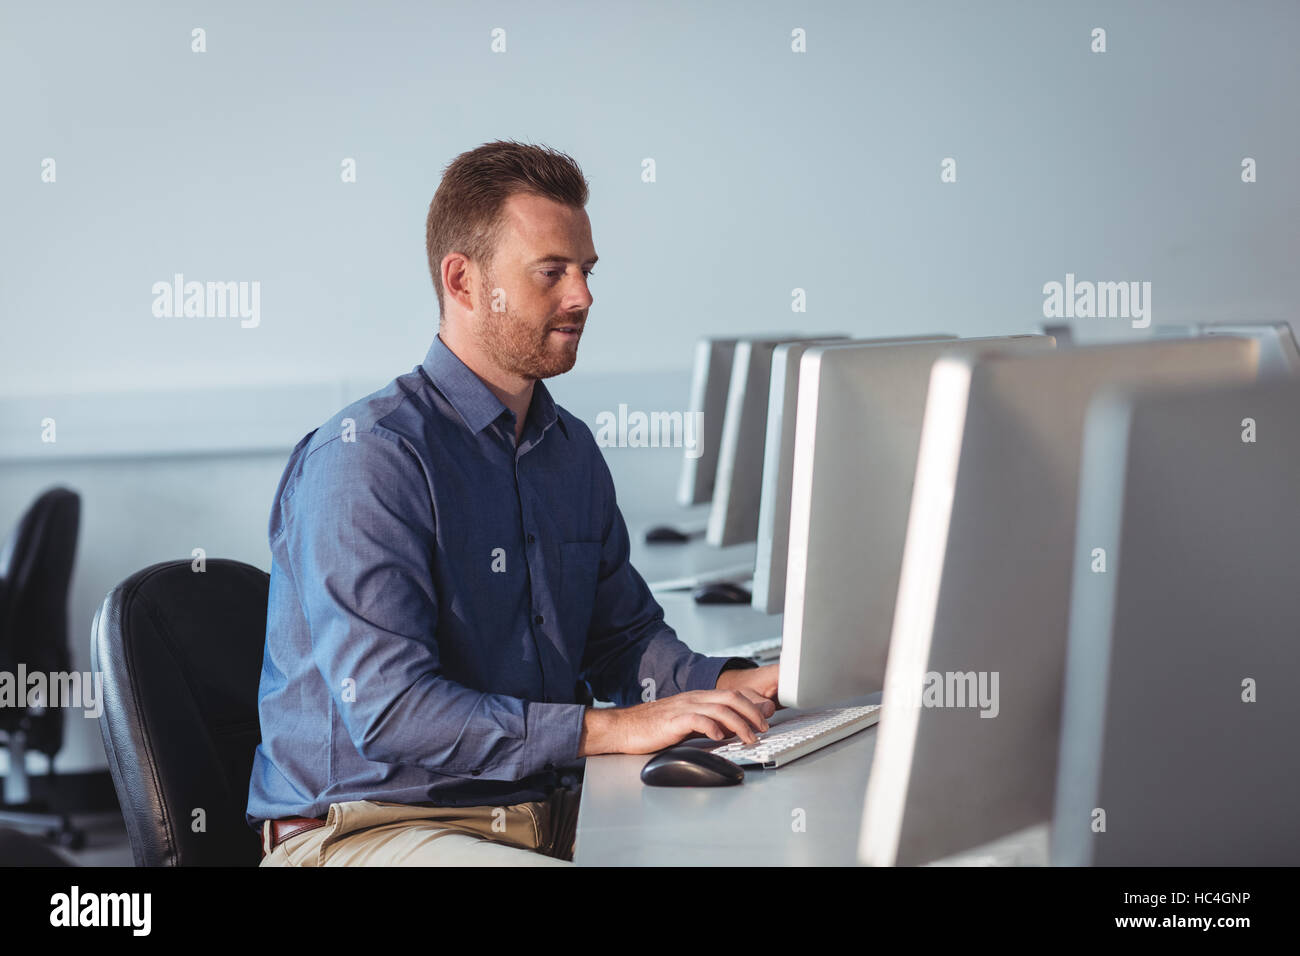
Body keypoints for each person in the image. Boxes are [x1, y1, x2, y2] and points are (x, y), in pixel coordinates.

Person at [247, 140, 779, 866]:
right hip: (371, 830)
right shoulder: (367, 457)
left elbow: (622, 641)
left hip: (536, 810)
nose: (583, 296)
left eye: (585, 271)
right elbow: (391, 712)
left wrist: (731, 683)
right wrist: (612, 729)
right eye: (552, 272)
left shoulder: (568, 449)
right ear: (464, 282)